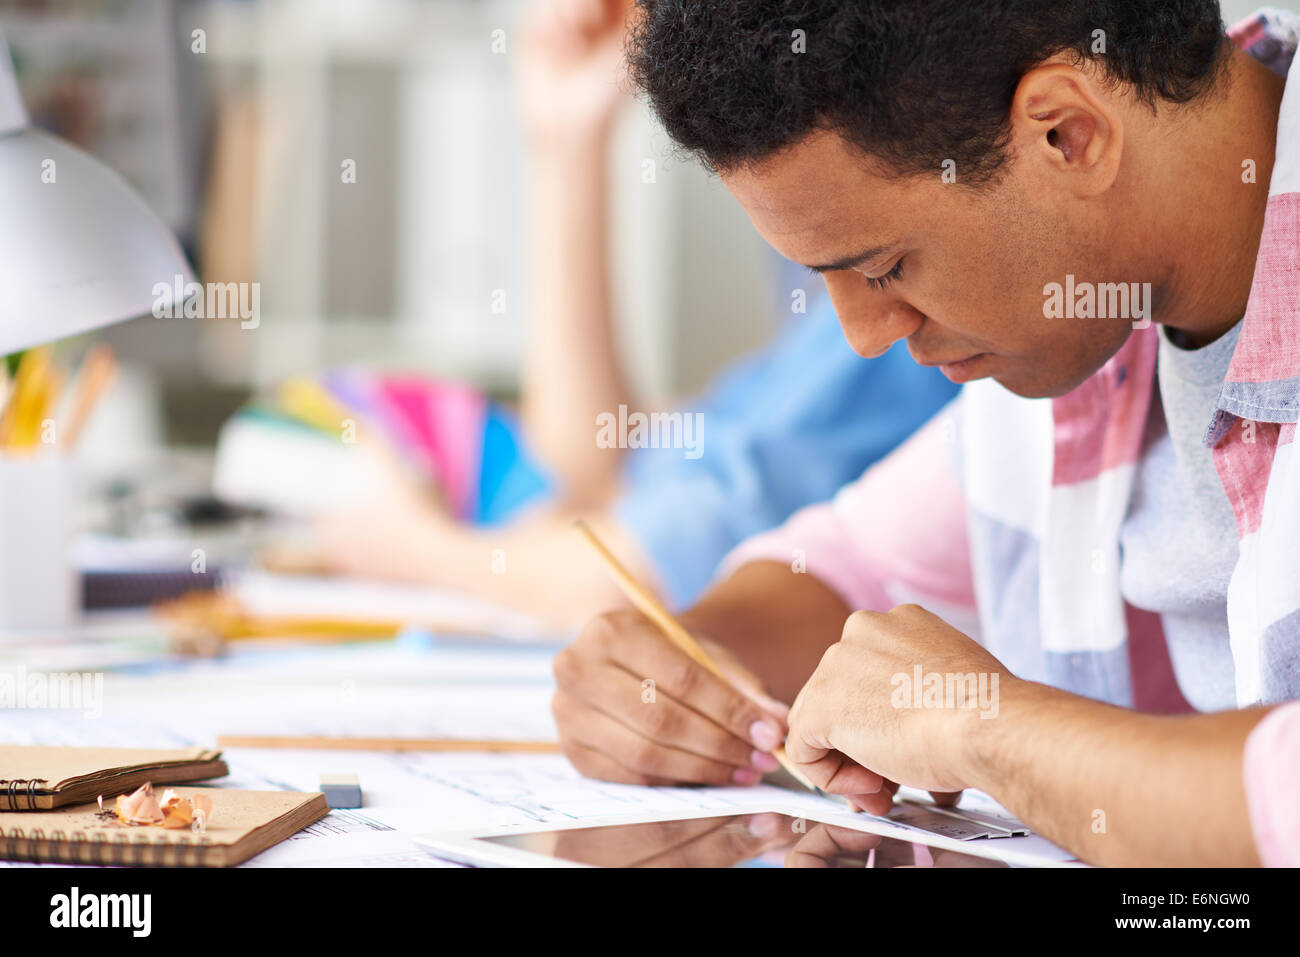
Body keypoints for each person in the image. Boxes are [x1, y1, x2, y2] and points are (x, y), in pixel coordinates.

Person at [551, 2, 1300, 866]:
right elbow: (850, 564)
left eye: (884, 267)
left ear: (1068, 135)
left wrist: (987, 726)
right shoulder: (1098, 306)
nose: (866, 336)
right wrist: (685, 666)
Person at [312, 0, 957, 630]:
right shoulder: (828, 235)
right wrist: (567, 143)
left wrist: (408, 547)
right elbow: (587, 474)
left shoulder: (893, 248)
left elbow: (625, 585)